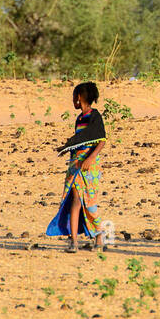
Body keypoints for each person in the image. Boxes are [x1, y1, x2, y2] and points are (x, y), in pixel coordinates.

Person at [47, 82, 106, 252]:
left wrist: (90, 159)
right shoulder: (79, 119)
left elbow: (101, 140)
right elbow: (79, 141)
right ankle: (74, 242)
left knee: (89, 203)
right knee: (74, 201)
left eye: (74, 97)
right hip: (75, 165)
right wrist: (66, 149)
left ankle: (99, 237)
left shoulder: (95, 116)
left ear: (79, 98)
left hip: (89, 166)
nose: (73, 100)